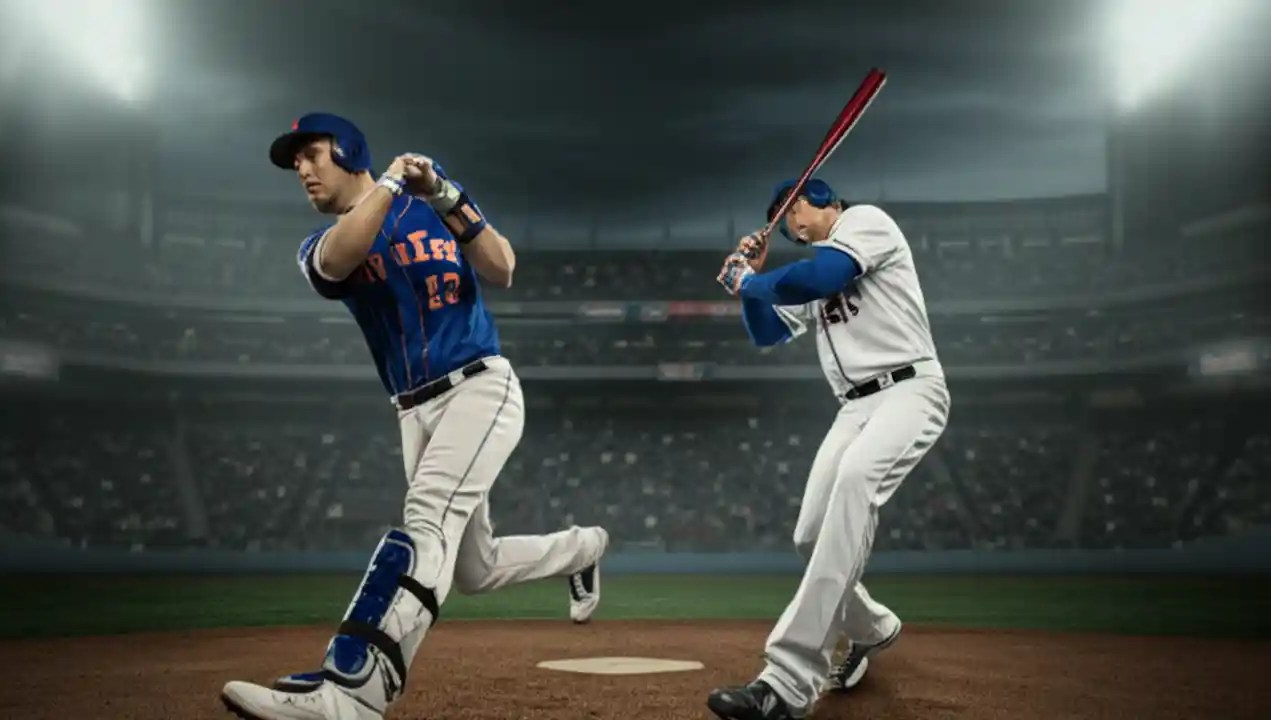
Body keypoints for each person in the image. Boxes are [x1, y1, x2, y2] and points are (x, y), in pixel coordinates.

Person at [220, 113, 609, 720]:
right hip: (412, 410)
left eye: (311, 154)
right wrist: (393, 185)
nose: (301, 169)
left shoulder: (433, 208)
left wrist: (447, 193)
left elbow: (501, 266)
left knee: (425, 519)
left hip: (479, 387)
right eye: (295, 162)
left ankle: (354, 689)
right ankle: (582, 548)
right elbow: (336, 262)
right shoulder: (327, 239)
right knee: (473, 570)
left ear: (347, 150)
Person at [706, 178, 951, 720]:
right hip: (855, 407)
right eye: (780, 216)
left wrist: (755, 278)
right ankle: (875, 629)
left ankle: (788, 681)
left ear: (828, 202)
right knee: (810, 535)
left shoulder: (864, 222)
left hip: (910, 389)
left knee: (856, 481)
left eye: (793, 208)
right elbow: (767, 333)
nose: (789, 222)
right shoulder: (808, 267)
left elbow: (822, 276)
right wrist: (749, 288)